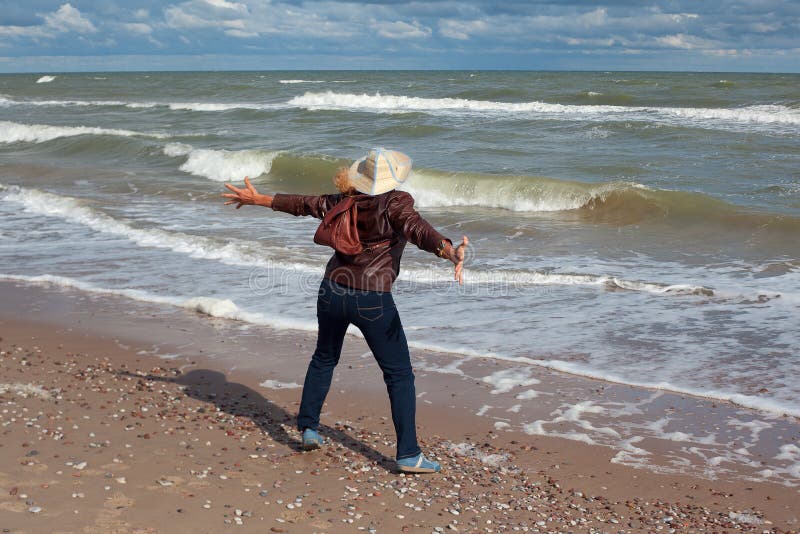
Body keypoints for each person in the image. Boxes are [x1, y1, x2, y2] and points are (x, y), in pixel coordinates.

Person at [222, 148, 468, 473]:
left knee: (324, 358)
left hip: (332, 290)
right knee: (398, 374)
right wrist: (449, 251)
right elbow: (417, 229)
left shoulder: (343, 199)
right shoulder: (396, 202)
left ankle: (309, 428)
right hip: (371, 299)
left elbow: (303, 204)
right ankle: (408, 454)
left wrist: (260, 199)